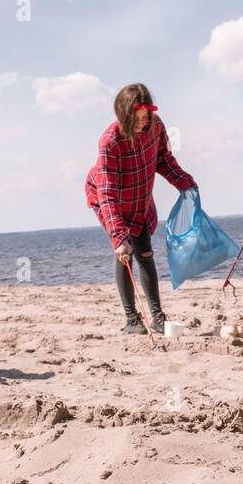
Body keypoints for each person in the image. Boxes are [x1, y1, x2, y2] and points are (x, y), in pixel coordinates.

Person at [86, 83, 197, 335]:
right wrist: (118, 237)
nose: (142, 124)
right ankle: (132, 319)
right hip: (110, 200)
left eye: (146, 118)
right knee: (125, 252)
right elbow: (107, 194)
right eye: (136, 120)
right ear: (123, 116)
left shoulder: (156, 127)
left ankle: (157, 316)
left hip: (140, 199)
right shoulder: (110, 142)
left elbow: (164, 159)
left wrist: (186, 184)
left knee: (145, 252)